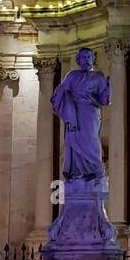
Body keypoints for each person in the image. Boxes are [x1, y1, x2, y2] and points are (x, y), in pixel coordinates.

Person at [50, 48, 111, 180]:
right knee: (76, 143)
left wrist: (107, 89)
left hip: (91, 115)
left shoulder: (98, 76)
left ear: (93, 59)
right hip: (75, 115)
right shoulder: (72, 76)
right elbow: (60, 93)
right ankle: (77, 172)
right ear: (78, 60)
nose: (86, 60)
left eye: (89, 57)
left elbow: (104, 100)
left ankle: (93, 171)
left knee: (92, 141)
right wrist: (62, 95)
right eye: (83, 57)